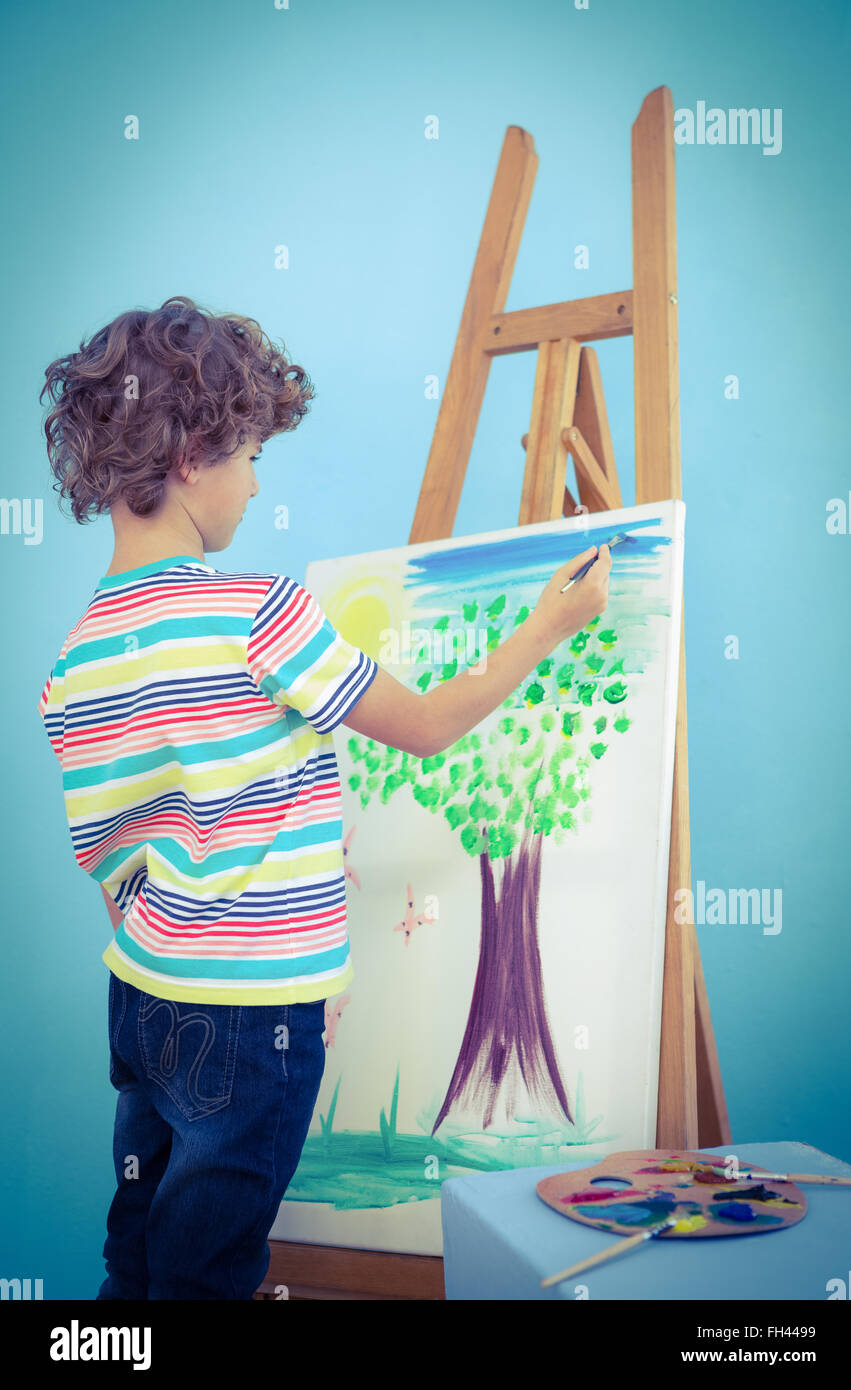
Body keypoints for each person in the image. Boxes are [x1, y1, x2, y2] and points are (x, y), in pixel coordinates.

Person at [36, 294, 610, 1300]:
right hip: (254, 1018)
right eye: (251, 455)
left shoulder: (72, 664)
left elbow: (116, 867)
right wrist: (545, 631)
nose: (256, 487)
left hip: (142, 1004)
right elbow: (426, 725)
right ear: (191, 455)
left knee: (143, 1248)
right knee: (210, 1268)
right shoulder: (260, 613)